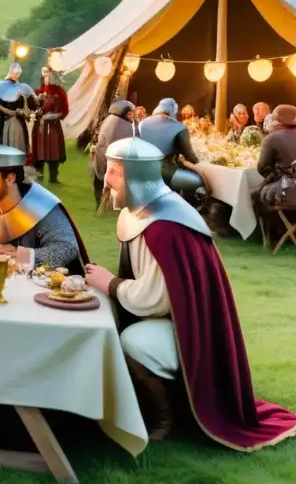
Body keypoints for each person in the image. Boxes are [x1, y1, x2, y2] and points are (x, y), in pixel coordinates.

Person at [84, 136, 296, 447]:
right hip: (171, 318)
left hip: (190, 331)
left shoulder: (164, 225)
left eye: (114, 171)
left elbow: (152, 299)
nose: (107, 179)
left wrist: (110, 283)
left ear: (134, 175)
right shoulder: (145, 212)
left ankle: (163, 418)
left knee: (130, 340)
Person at [0, 145, 88, 275]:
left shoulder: (42, 205)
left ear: (10, 178)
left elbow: (66, 247)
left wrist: (24, 256)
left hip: (37, 288)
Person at [138, 98, 203, 194]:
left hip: (140, 168)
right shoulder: (179, 127)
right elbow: (189, 155)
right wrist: (199, 163)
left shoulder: (142, 123)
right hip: (164, 172)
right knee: (198, 181)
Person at [90, 99, 135, 208]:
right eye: (129, 113)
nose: (132, 116)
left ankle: (99, 205)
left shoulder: (109, 119)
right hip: (113, 161)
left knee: (98, 182)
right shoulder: (123, 125)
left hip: (101, 157)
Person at [0, 62, 36, 154]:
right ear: (10, 72)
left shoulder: (20, 87)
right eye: (16, 73)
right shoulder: (0, 85)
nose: (17, 76)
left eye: (19, 74)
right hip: (1, 117)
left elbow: (25, 102)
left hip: (16, 119)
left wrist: (24, 111)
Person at [32, 65, 69, 184]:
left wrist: (54, 115)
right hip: (40, 125)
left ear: (52, 73)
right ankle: (39, 175)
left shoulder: (59, 91)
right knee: (39, 150)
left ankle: (53, 177)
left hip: (53, 125)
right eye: (43, 72)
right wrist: (36, 100)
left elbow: (65, 110)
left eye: (47, 72)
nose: (45, 74)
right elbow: (32, 107)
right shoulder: (37, 91)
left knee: (54, 150)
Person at [255, 104, 296, 207]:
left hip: (289, 192)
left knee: (256, 194)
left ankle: (273, 222)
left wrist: (275, 176)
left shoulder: (271, 138)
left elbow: (262, 168)